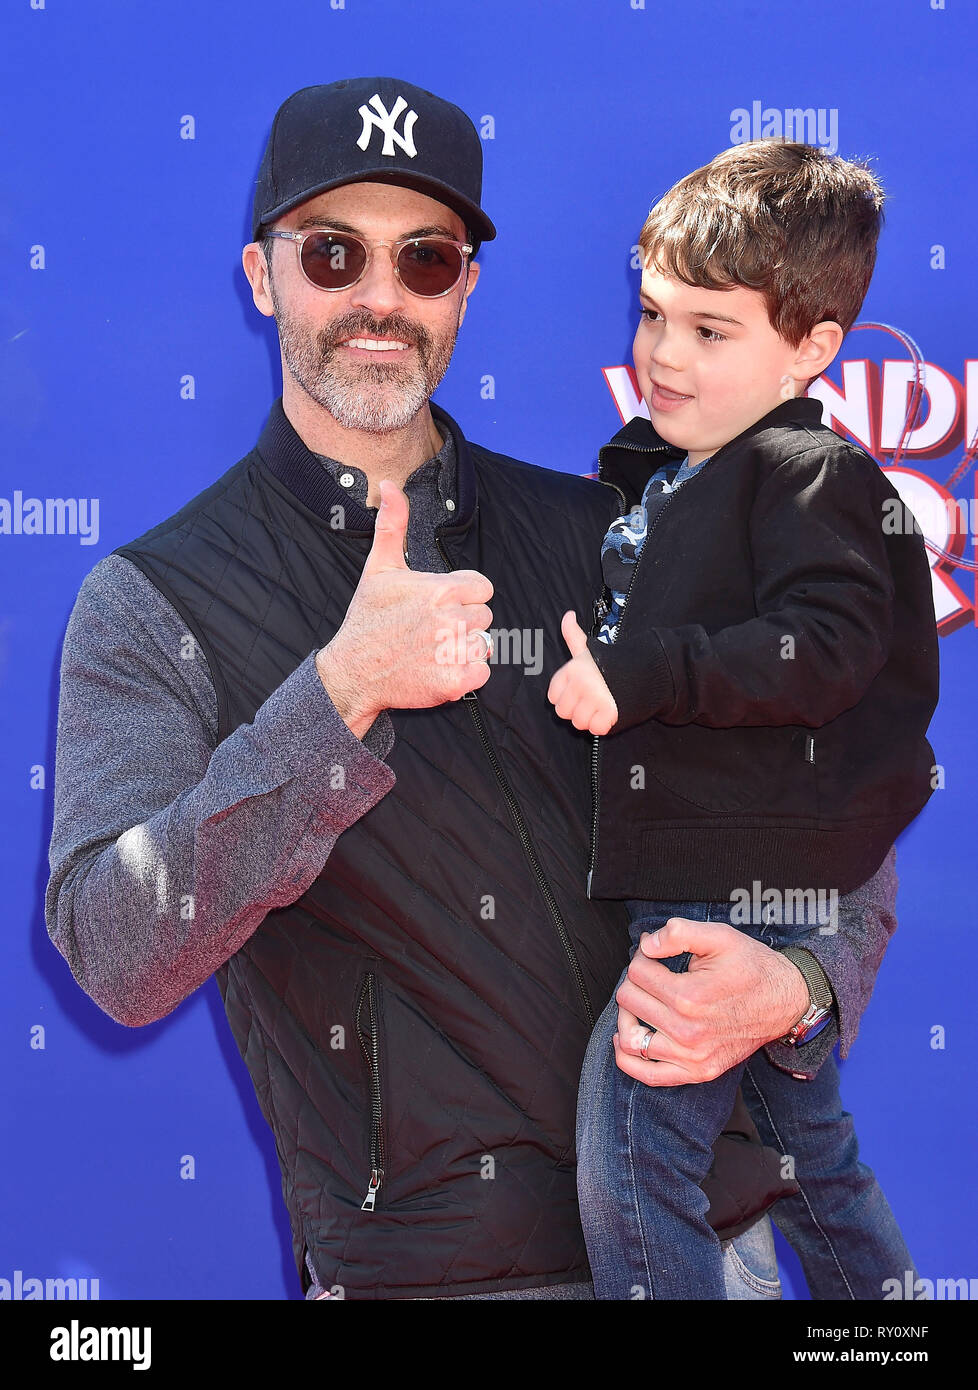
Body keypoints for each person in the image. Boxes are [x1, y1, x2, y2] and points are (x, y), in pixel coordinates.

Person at [46, 80, 841, 1300]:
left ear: (465, 288)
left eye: (424, 258)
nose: (379, 296)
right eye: (332, 253)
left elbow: (834, 796)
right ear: (263, 276)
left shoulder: (608, 530)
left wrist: (803, 980)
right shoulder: (156, 598)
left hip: (696, 1247)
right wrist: (337, 695)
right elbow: (115, 949)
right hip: (429, 1279)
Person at [547, 139, 940, 1299]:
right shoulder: (676, 475)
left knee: (631, 1165)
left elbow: (822, 653)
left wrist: (642, 673)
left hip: (725, 881)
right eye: (654, 312)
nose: (663, 354)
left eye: (710, 330)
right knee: (807, 1157)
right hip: (716, 865)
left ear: (813, 348)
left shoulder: (811, 473)